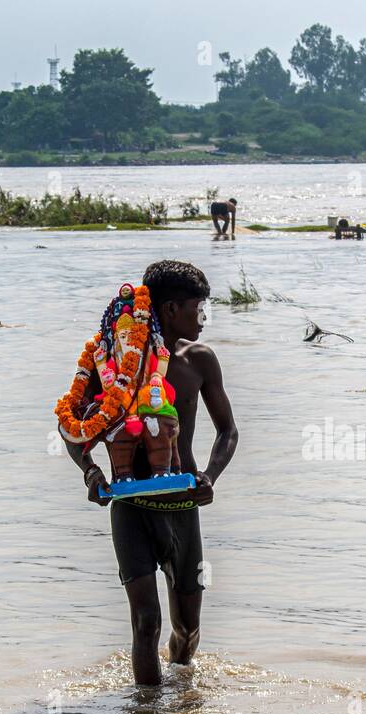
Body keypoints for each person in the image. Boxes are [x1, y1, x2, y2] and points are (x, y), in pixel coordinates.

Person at [61, 260, 238, 687]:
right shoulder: (115, 364)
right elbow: (71, 427)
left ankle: (183, 701)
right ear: (171, 308)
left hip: (181, 505)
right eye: (198, 309)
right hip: (130, 506)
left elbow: (228, 432)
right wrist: (90, 473)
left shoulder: (200, 361)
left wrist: (209, 478)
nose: (203, 318)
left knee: (187, 627)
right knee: (145, 623)